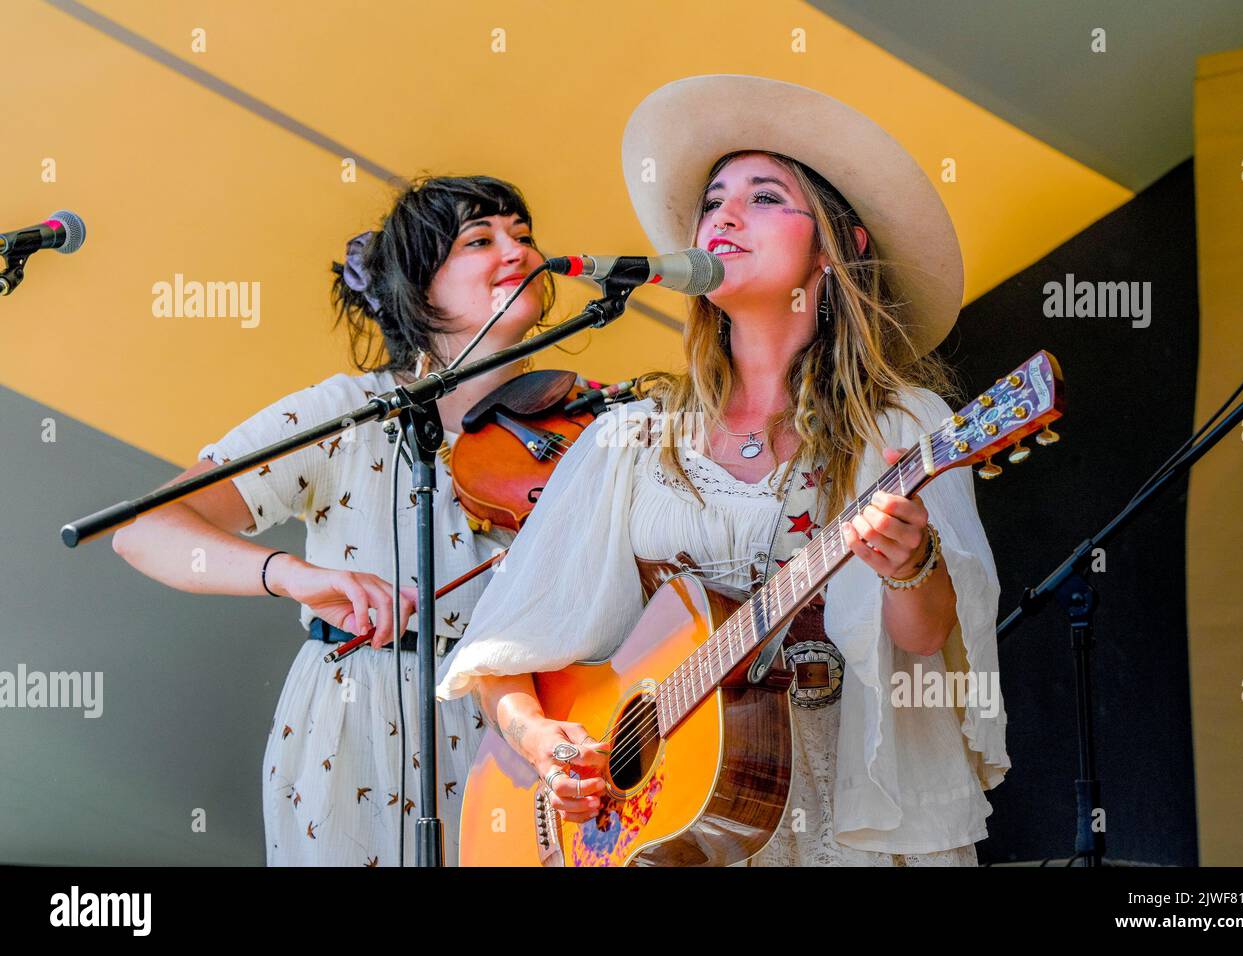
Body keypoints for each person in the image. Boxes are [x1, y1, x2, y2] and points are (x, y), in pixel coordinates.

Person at [435, 76, 1010, 866]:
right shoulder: (631, 441)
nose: (725, 216)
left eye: (765, 196)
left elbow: (926, 637)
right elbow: (507, 648)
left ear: (841, 247)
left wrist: (910, 564)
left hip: (848, 828)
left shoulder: (905, 426)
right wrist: (542, 743)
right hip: (669, 833)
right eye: (712, 201)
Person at [112, 174, 562, 866]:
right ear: (417, 286)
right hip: (356, 729)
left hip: (519, 728)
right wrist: (289, 574)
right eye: (481, 239)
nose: (516, 251)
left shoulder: (581, 430)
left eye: (524, 236)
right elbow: (144, 530)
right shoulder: (347, 412)